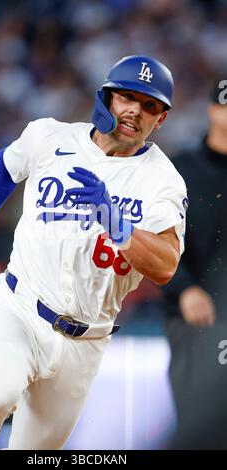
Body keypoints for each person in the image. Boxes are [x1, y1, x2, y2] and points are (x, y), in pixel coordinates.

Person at [0, 55, 187, 450]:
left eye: (150, 105)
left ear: (161, 120)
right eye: (127, 97)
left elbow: (166, 265)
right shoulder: (49, 137)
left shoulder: (163, 181)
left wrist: (115, 220)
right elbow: (5, 166)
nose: (135, 110)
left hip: (85, 341)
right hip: (18, 307)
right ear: (106, 97)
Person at [163, 78, 227, 449]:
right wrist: (183, 289)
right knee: (199, 426)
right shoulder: (181, 170)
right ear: (213, 111)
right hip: (193, 317)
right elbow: (157, 241)